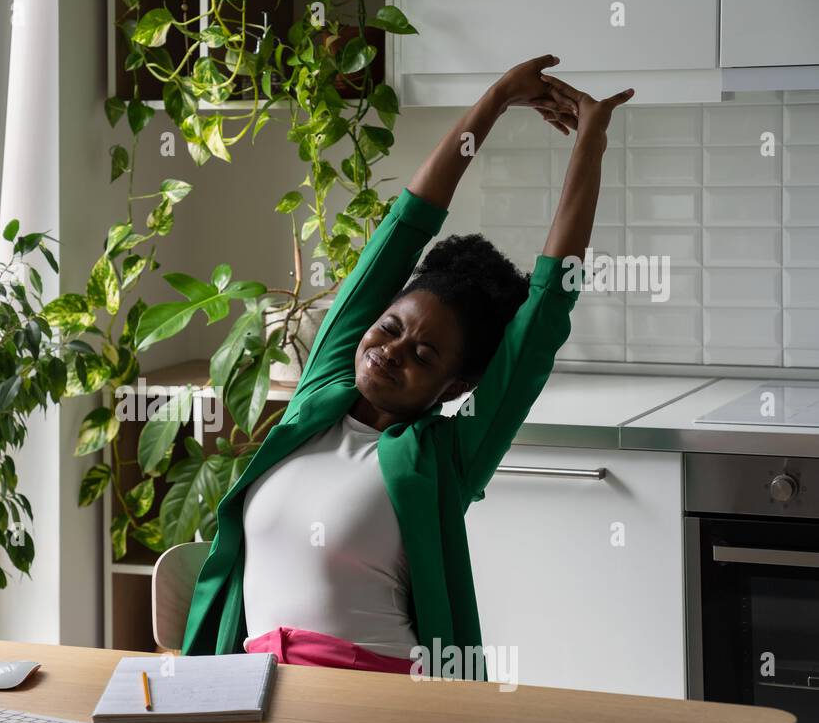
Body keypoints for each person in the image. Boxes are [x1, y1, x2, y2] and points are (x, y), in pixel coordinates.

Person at [180, 55, 634, 680]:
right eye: (390, 328)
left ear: (457, 384)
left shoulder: (443, 456)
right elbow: (403, 230)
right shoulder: (321, 397)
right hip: (256, 688)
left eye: (423, 354)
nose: (390, 350)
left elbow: (547, 308)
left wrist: (591, 141)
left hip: (382, 704)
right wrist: (497, 98)